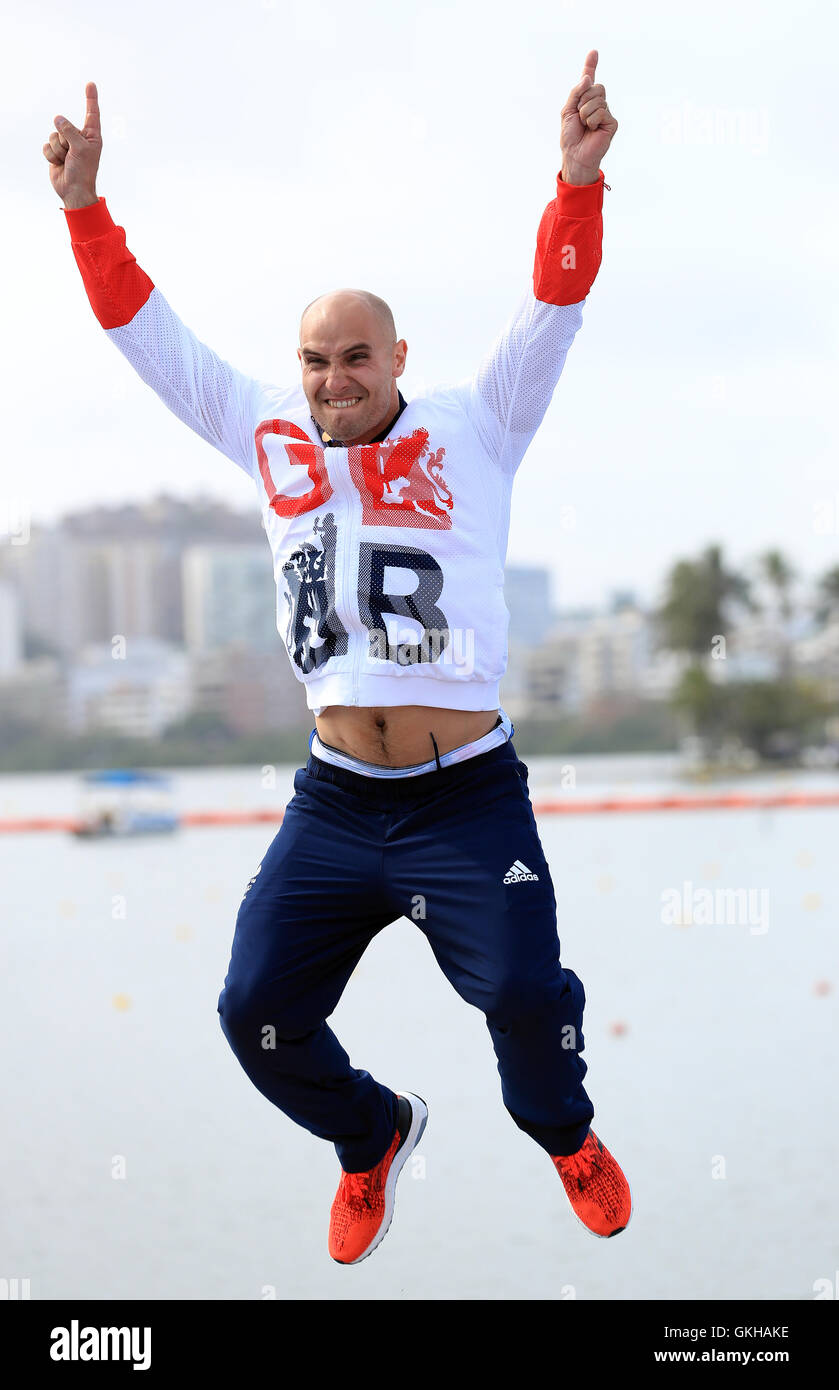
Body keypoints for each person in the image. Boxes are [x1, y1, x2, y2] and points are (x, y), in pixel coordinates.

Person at [44, 51, 631, 1265]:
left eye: (355, 358)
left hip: (465, 798)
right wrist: (85, 211)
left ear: (398, 359)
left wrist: (576, 183)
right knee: (252, 1012)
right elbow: (145, 336)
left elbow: (554, 305)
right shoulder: (267, 433)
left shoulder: (480, 427)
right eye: (314, 360)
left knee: (524, 999)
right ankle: (372, 1135)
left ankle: (561, 1131)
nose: (332, 380)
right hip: (334, 802)